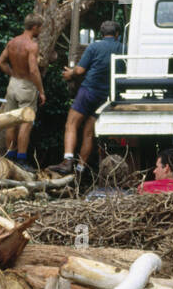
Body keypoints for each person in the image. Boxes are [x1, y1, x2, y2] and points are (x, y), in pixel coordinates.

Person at [49, 20, 123, 176]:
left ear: (101, 34)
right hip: (106, 96)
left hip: (89, 91)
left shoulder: (94, 46)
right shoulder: (123, 48)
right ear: (117, 34)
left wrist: (70, 74)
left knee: (71, 124)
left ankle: (67, 161)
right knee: (89, 132)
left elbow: (81, 70)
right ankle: (80, 169)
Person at [0, 14, 47, 167]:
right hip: (26, 85)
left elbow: (1, 63)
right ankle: (21, 159)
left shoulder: (12, 42)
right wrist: (41, 90)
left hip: (13, 84)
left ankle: (10, 156)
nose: (41, 30)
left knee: (12, 121)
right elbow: (33, 70)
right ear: (34, 27)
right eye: (40, 27)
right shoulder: (32, 46)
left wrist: (13, 75)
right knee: (26, 122)